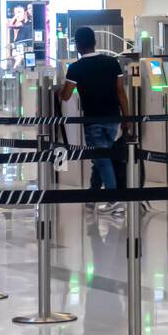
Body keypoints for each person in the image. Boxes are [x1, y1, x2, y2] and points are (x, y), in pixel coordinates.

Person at [60, 27, 130, 211]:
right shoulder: (111, 62)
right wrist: (127, 117)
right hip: (113, 119)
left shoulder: (75, 68)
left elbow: (66, 96)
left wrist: (61, 86)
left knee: (102, 159)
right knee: (101, 156)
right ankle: (92, 196)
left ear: (78, 45)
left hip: (93, 121)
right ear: (95, 42)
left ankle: (113, 199)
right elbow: (120, 91)